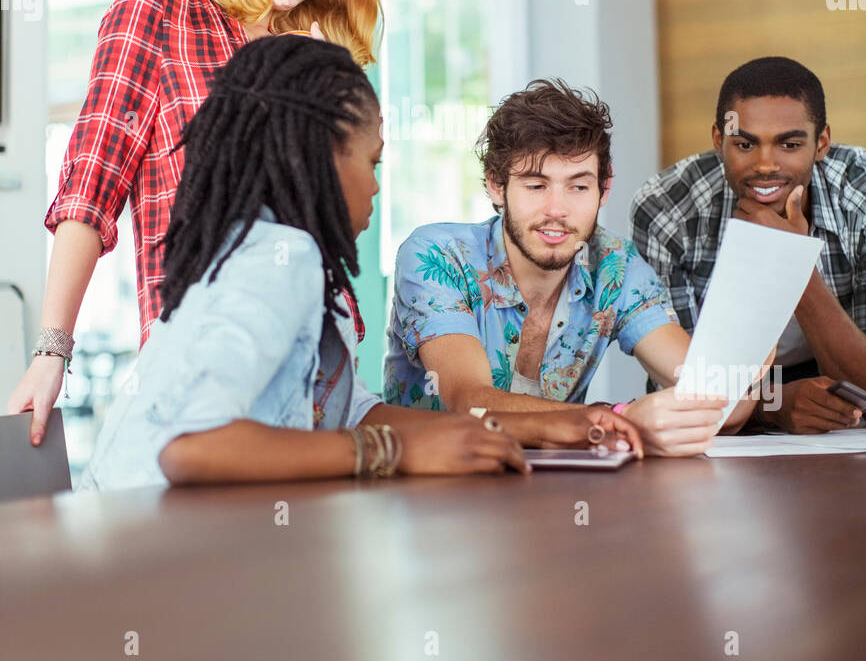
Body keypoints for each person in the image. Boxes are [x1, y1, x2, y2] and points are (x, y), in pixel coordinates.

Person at [79, 38, 639, 489]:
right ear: (316, 160)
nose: (375, 186)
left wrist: (543, 424)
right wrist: (394, 452)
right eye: (371, 162)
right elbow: (189, 448)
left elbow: (352, 414)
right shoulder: (277, 258)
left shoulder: (303, 266)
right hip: (143, 550)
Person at [9, 0, 380, 446]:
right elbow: (93, 181)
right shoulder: (161, 11)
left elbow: (337, 212)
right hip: (203, 350)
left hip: (321, 353)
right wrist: (52, 349)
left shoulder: (307, 57)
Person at [385, 79, 745, 457]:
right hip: (433, 493)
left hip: (555, 492)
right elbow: (470, 401)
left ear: (603, 190)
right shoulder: (437, 256)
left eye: (578, 187)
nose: (557, 210)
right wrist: (616, 418)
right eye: (536, 185)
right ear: (495, 185)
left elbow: (718, 399)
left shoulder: (614, 264)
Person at [629, 56, 866, 435]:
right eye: (745, 144)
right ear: (719, 141)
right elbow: (688, 389)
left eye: (789, 144)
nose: (766, 164)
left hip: (835, 395)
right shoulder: (667, 210)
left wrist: (791, 260)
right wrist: (770, 406)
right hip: (730, 405)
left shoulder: (860, 199)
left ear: (821, 143)